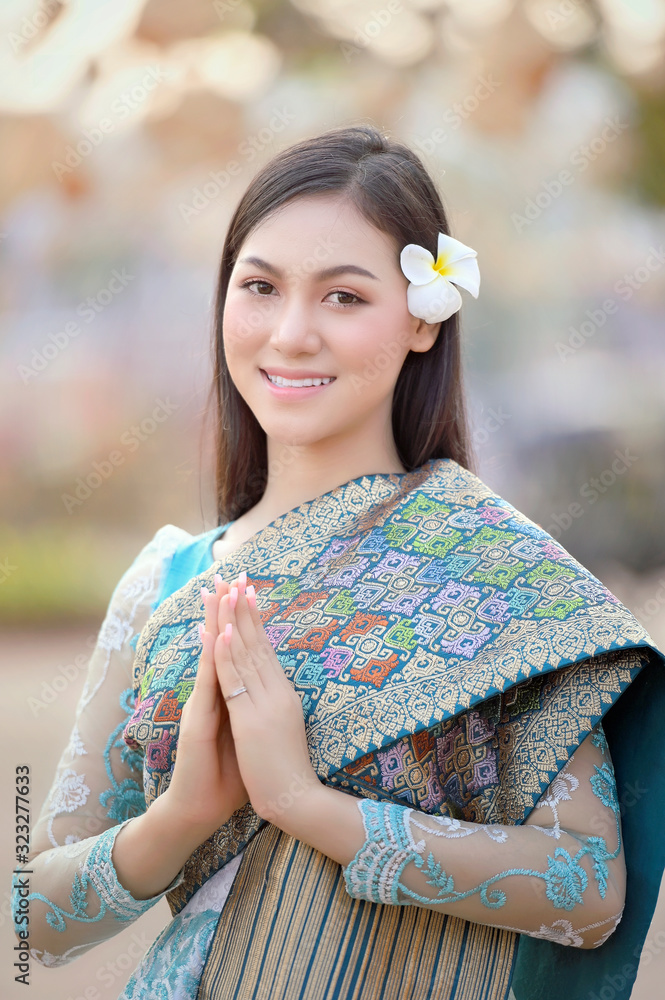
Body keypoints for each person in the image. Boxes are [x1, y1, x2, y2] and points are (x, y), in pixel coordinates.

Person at [12, 123, 665, 1000]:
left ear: (423, 321)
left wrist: (306, 806)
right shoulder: (164, 586)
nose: (290, 334)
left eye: (344, 297)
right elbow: (35, 922)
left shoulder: (502, 578)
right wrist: (182, 816)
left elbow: (587, 888)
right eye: (260, 287)